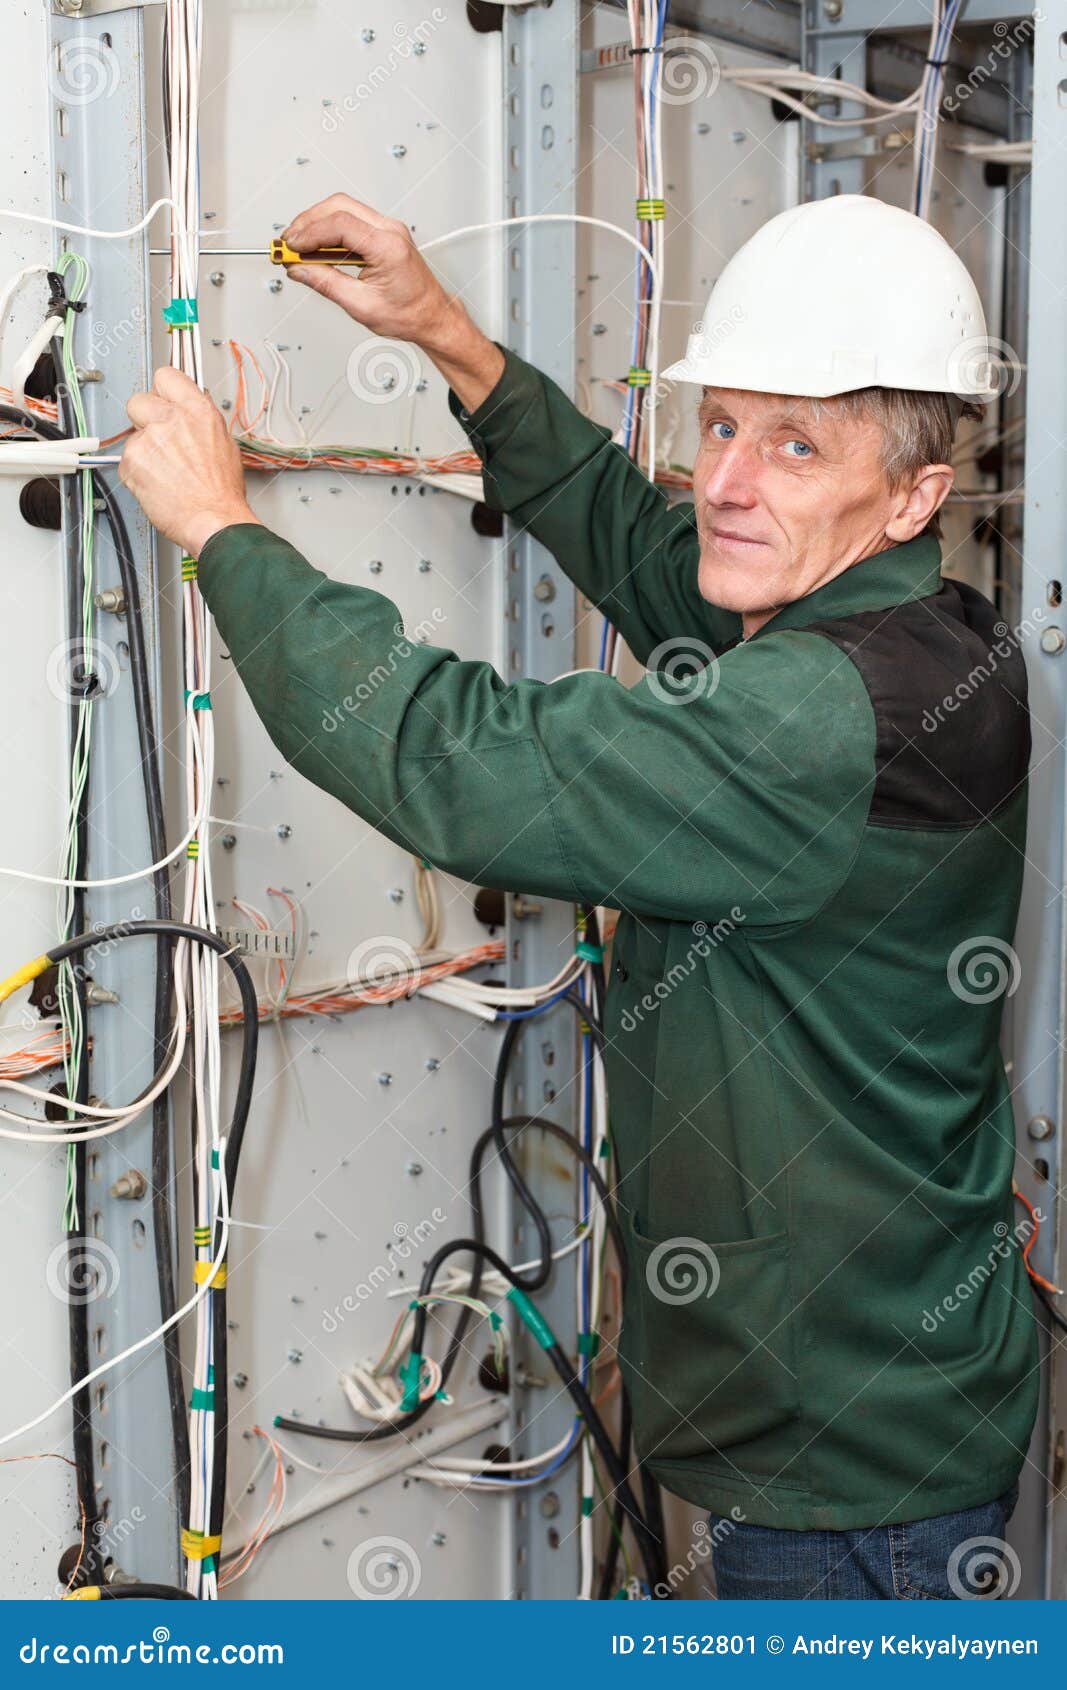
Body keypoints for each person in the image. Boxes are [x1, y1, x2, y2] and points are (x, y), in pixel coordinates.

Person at [120, 192, 1038, 1600]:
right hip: (866, 1403)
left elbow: (461, 757)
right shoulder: (900, 626)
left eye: (797, 444)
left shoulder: (818, 711)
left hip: (850, 1465)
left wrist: (225, 531)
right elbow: (651, 546)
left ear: (916, 492)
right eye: (721, 424)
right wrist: (450, 343)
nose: (729, 479)